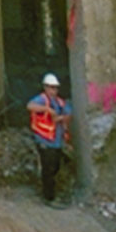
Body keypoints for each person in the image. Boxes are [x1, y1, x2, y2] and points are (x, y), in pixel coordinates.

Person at [27, 73, 72, 206]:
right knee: (49, 168)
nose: (53, 91)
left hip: (56, 140)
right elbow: (30, 106)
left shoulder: (59, 102)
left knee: (55, 166)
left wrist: (63, 121)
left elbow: (68, 113)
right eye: (51, 88)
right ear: (45, 87)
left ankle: (49, 190)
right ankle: (49, 197)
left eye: (55, 88)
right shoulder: (42, 100)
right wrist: (47, 109)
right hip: (44, 139)